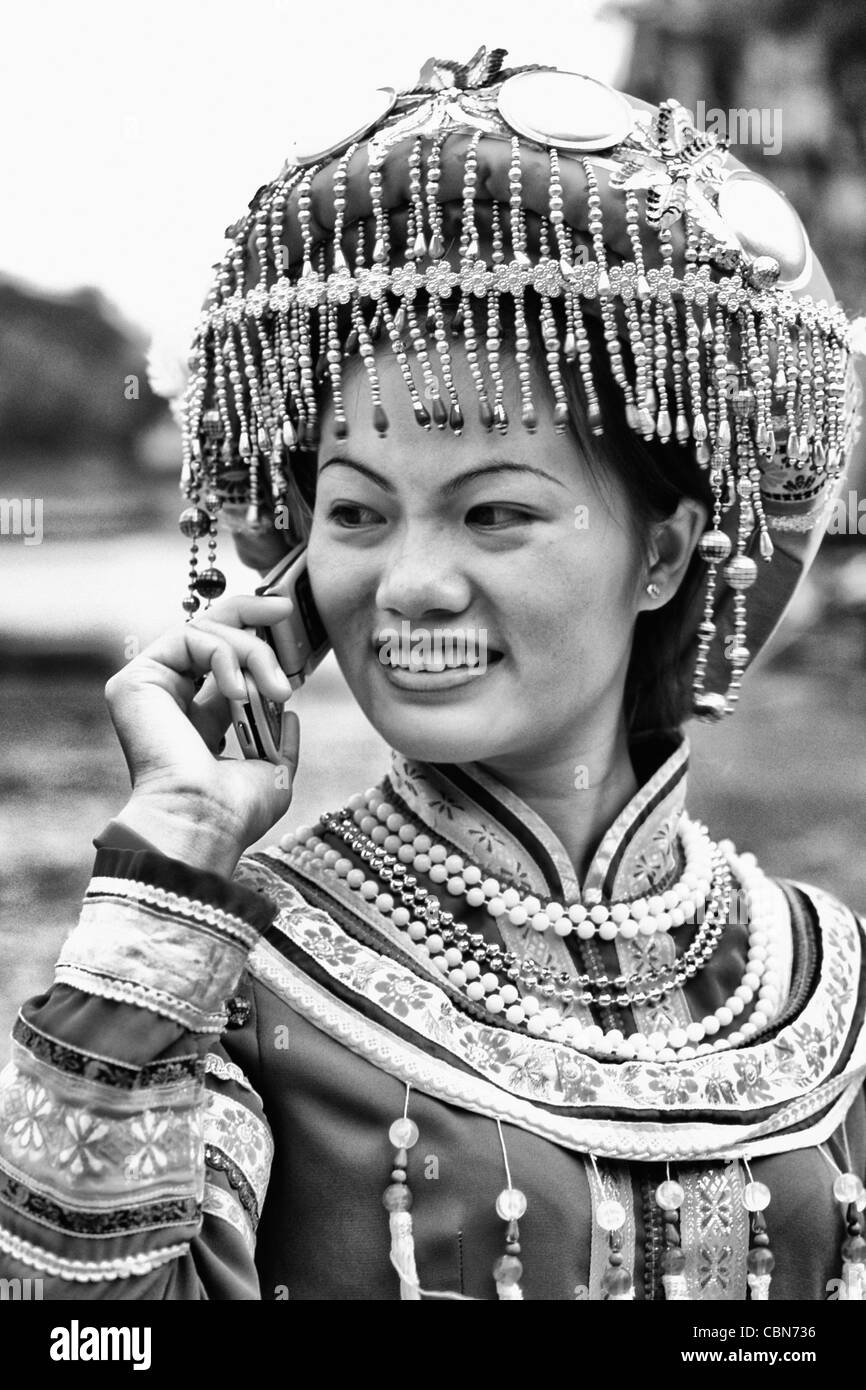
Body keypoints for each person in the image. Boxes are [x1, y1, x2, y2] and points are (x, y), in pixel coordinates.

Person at [2, 48, 865, 1302]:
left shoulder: (813, 972)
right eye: (356, 515)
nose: (407, 583)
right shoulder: (234, 970)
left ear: (667, 553)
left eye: (494, 515)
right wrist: (175, 851)